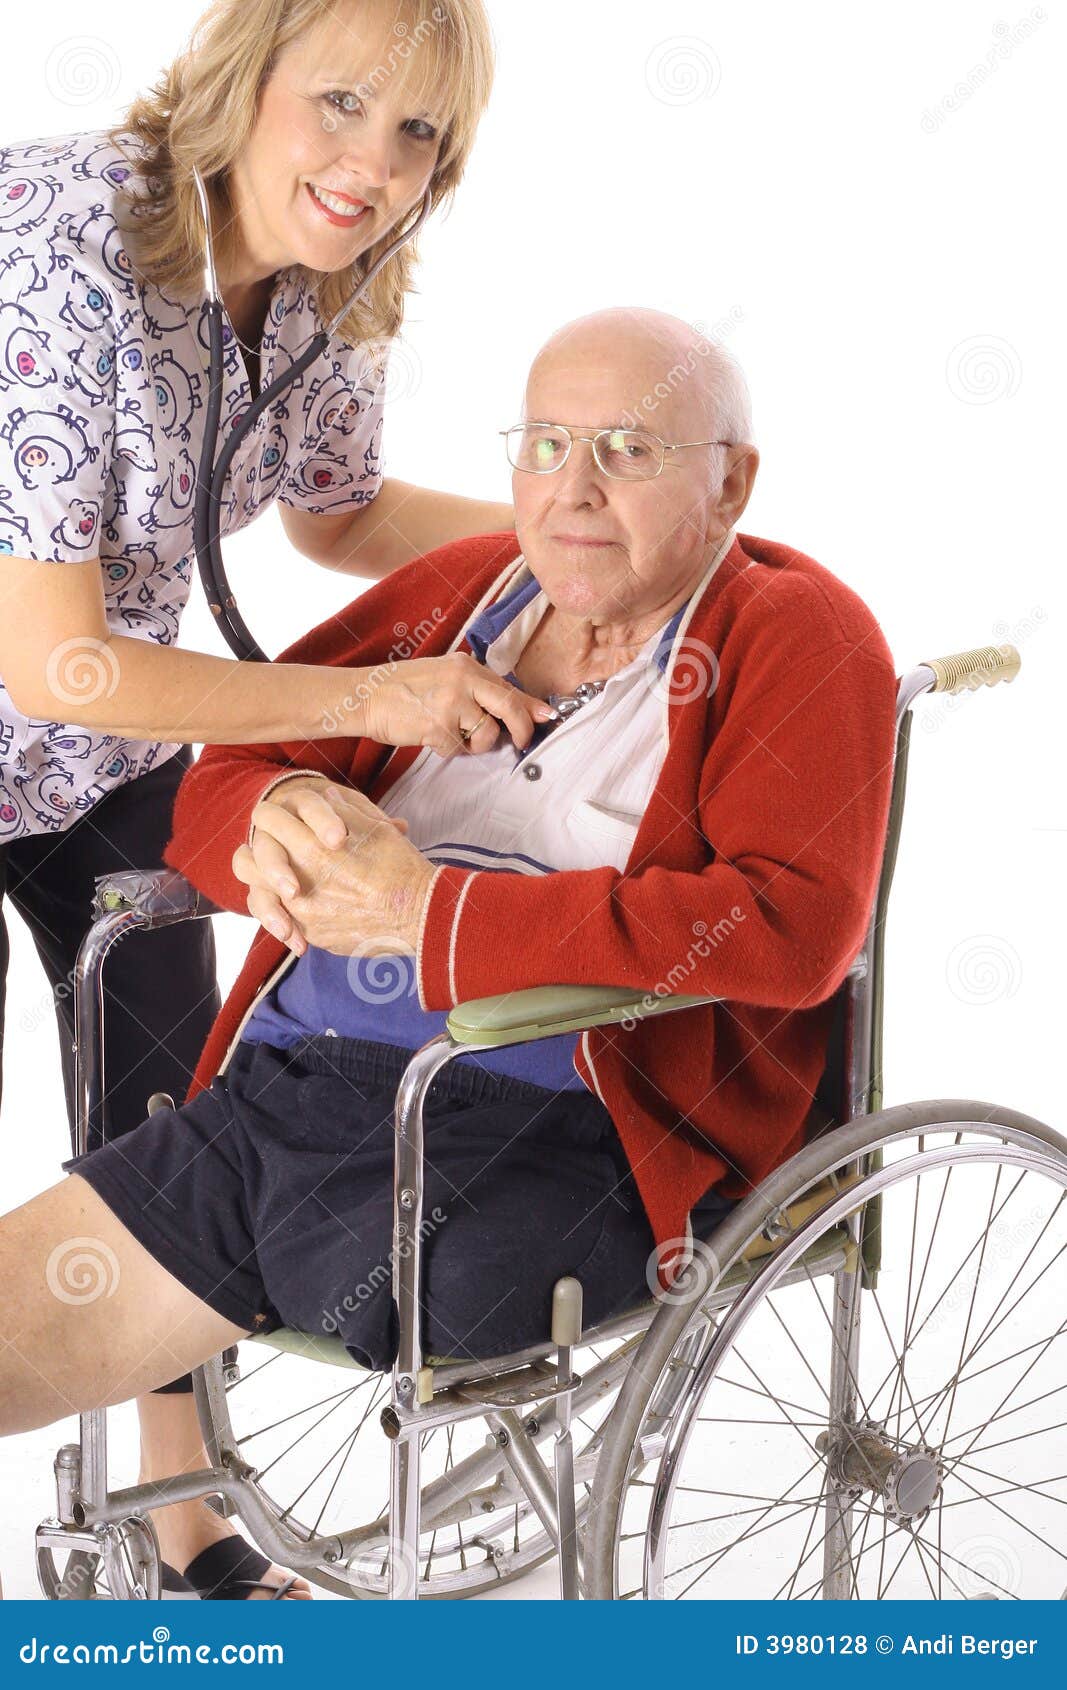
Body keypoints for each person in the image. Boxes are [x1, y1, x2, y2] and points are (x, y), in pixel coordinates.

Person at [0, 309, 899, 1598]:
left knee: (364, 1256)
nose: (574, 488)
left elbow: (791, 928)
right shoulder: (465, 590)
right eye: (544, 445)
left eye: (630, 449)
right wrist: (268, 816)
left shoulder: (799, 634)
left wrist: (434, 920)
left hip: (555, 1119)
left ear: (730, 482)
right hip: (287, 1086)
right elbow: (243, 752)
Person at [0, 0, 552, 1599]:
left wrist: (597, 531)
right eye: (343, 104)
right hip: (70, 698)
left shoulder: (334, 281)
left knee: (161, 1125)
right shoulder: (60, 247)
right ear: (247, 78)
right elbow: (55, 660)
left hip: (96, 763)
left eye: (419, 134)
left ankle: (180, 1520)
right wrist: (371, 700)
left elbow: (343, 513)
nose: (372, 166)